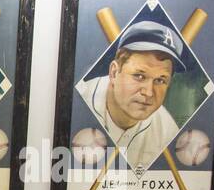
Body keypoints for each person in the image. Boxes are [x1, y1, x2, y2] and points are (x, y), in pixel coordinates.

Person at [75, 21, 184, 175]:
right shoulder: (80, 101)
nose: (149, 93)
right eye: (139, 76)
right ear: (114, 73)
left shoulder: (166, 130)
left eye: (160, 80)